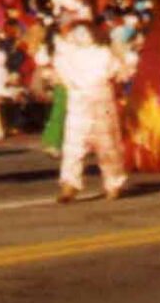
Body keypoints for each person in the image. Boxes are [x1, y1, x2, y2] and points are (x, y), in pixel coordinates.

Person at [52, 14, 128, 203]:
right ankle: (69, 185)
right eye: (76, 34)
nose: (80, 37)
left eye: (83, 33)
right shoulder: (69, 56)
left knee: (108, 147)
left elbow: (119, 73)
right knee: (73, 146)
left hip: (102, 104)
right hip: (78, 104)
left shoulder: (104, 54)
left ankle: (113, 184)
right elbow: (61, 71)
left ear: (93, 34)